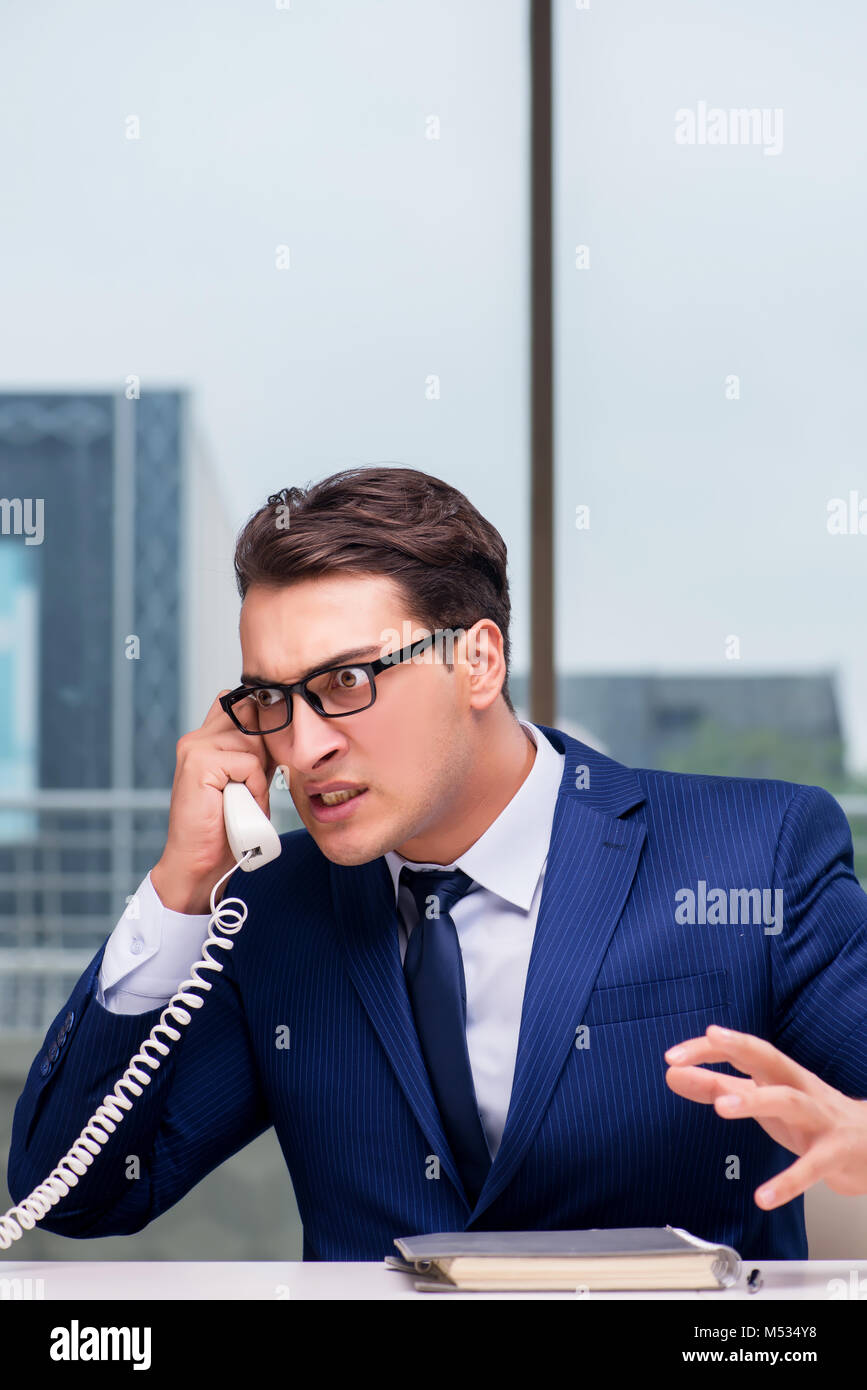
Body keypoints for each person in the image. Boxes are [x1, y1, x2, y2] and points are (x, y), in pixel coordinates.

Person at [6, 466, 867, 1261]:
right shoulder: (270, 909)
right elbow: (75, 1195)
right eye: (271, 699)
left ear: (477, 662)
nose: (303, 748)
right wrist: (179, 891)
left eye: (346, 681)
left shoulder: (755, 854)